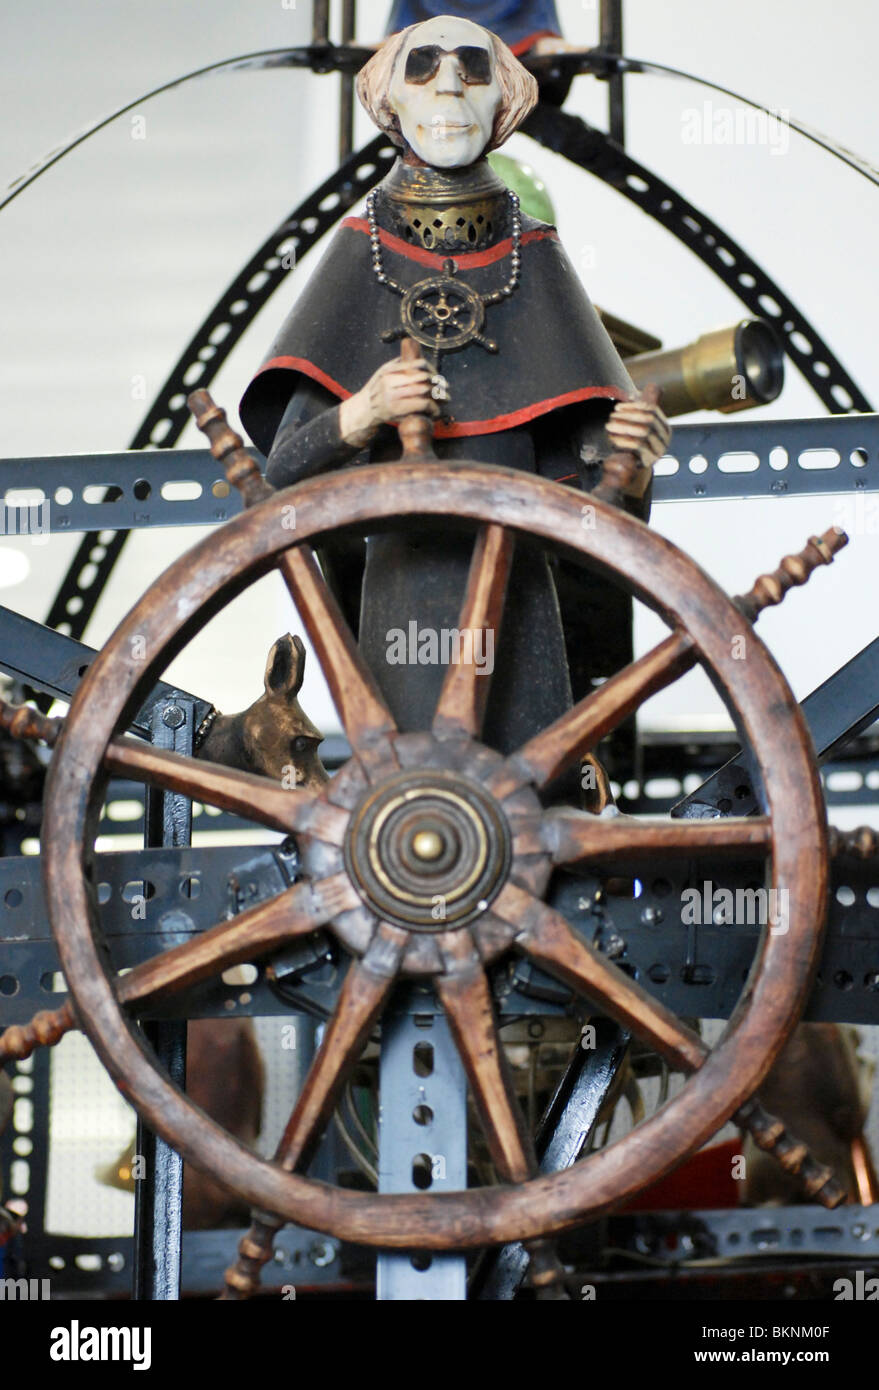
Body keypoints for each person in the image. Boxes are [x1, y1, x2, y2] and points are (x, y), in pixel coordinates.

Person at [239, 15, 669, 761]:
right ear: (390, 105)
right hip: (404, 585)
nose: (446, 84)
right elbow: (279, 479)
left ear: (503, 101)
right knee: (411, 805)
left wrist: (635, 457)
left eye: (471, 68)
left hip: (522, 601)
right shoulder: (357, 250)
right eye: (423, 68)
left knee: (528, 800)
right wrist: (363, 410)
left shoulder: (532, 253)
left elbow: (602, 507)